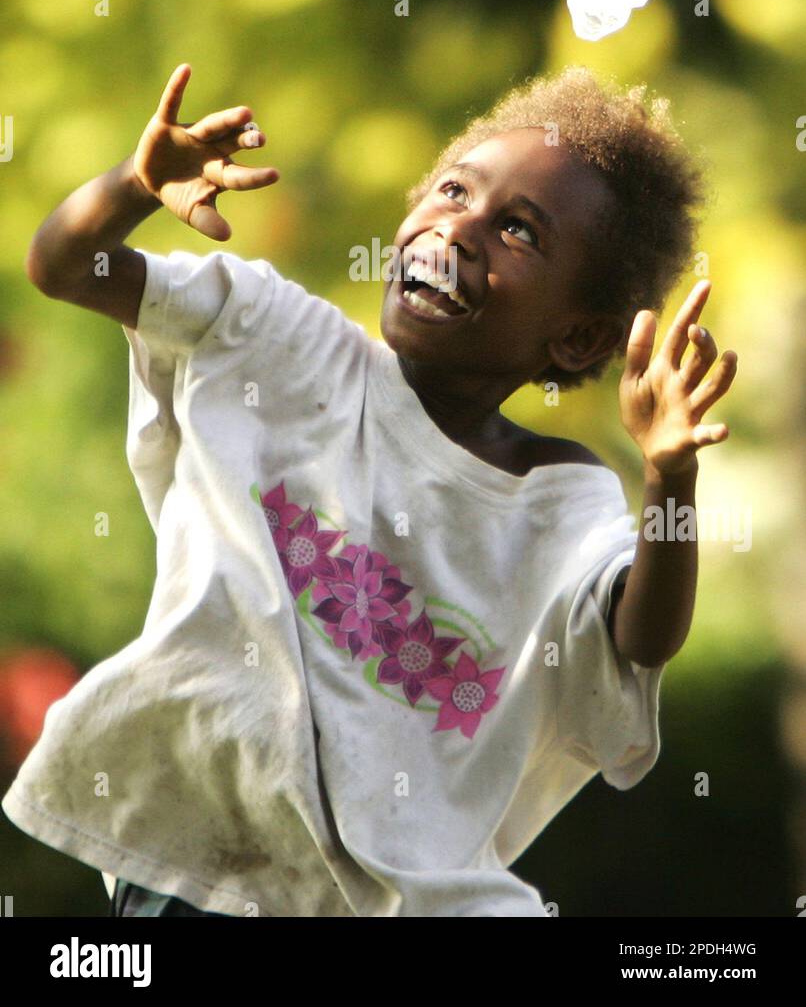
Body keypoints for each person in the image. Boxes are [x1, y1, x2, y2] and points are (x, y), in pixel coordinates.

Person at [1, 62, 738, 917]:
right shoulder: (277, 339)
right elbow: (65, 267)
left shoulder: (558, 500)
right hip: (201, 878)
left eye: (520, 233)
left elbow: (642, 639)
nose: (458, 231)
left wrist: (670, 476)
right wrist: (135, 185)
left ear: (578, 338)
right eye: (454, 190)